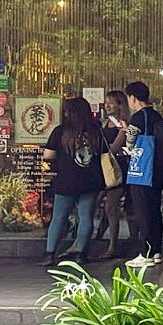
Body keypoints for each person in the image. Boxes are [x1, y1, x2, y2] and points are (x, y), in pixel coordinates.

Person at [40, 95, 106, 266]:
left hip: (66, 180)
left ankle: (50, 254)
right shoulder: (95, 131)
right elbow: (105, 153)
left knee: (59, 217)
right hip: (90, 180)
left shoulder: (61, 131)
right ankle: (81, 254)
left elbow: (48, 155)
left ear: (68, 112)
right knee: (86, 217)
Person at [122, 81, 163, 268]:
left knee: (142, 211)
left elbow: (130, 140)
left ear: (133, 98)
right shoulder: (156, 116)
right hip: (157, 169)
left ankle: (146, 253)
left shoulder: (138, 117)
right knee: (154, 210)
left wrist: (129, 144)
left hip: (141, 170)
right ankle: (156, 250)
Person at [95, 89, 132, 260]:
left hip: (118, 168)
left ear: (120, 105)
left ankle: (112, 245)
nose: (107, 105)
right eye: (106, 102)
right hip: (104, 168)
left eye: (111, 102)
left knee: (111, 206)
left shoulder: (124, 125)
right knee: (100, 204)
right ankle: (99, 238)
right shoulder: (104, 123)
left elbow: (114, 147)